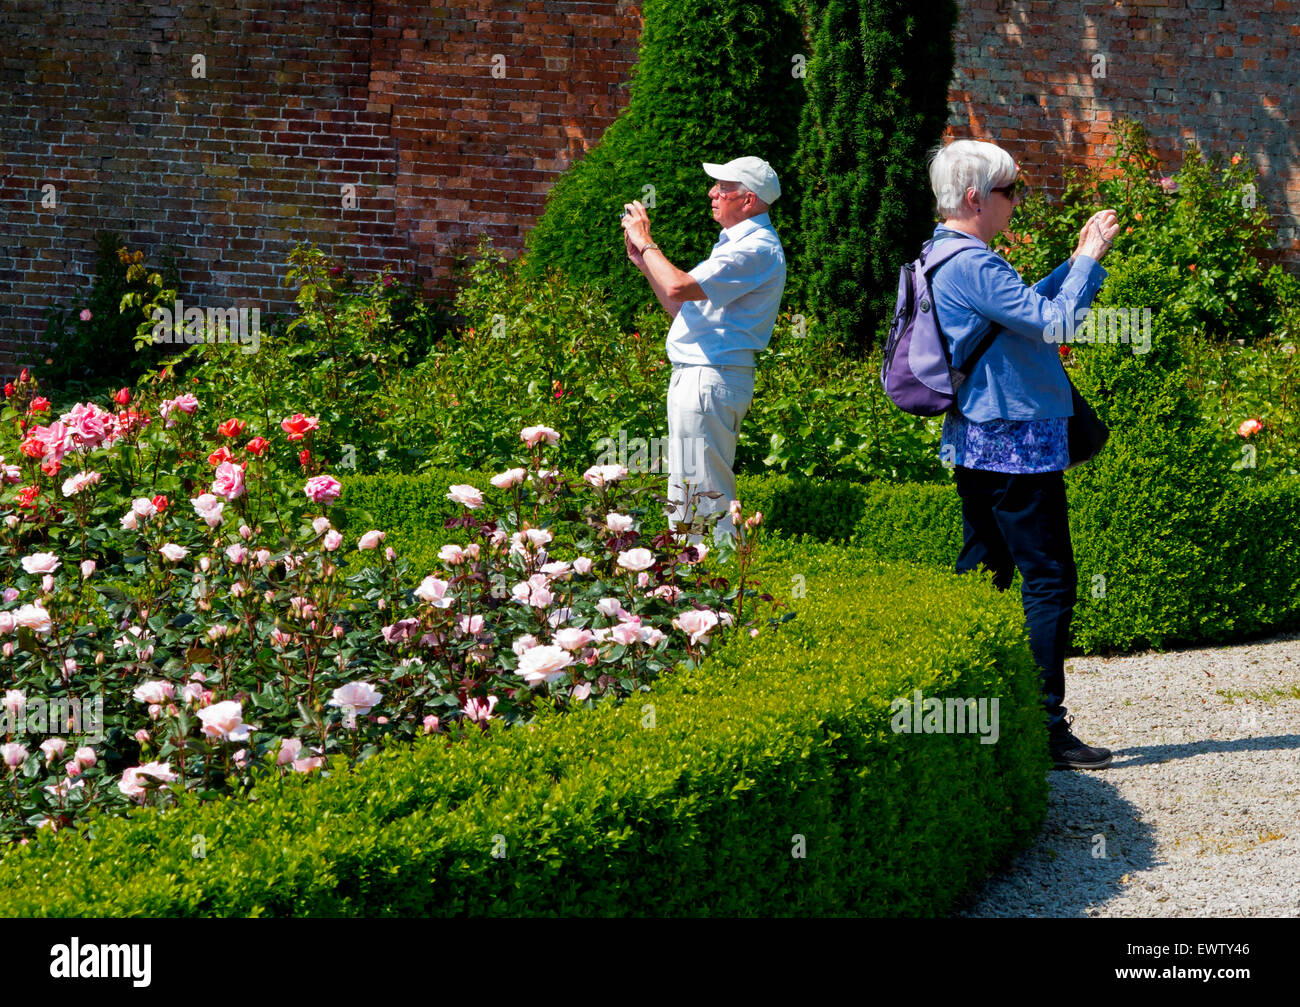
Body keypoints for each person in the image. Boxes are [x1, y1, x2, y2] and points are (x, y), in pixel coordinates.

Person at [925, 139, 1120, 770]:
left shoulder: (941, 253)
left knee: (981, 571)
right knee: (1049, 580)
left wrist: (1071, 265)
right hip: (1018, 447)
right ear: (977, 198)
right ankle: (1043, 725)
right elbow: (1057, 325)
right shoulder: (974, 262)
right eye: (1012, 192)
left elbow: (1022, 313)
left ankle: (959, 709)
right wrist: (1090, 259)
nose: (1017, 203)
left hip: (976, 442)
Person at [621, 156, 786, 542]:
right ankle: (693, 581)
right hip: (702, 376)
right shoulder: (739, 245)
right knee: (687, 492)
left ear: (748, 200)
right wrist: (643, 261)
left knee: (702, 497)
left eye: (724, 187)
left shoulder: (754, 249)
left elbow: (677, 286)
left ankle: (713, 582)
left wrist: (647, 242)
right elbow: (684, 310)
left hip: (709, 377)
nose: (713, 193)